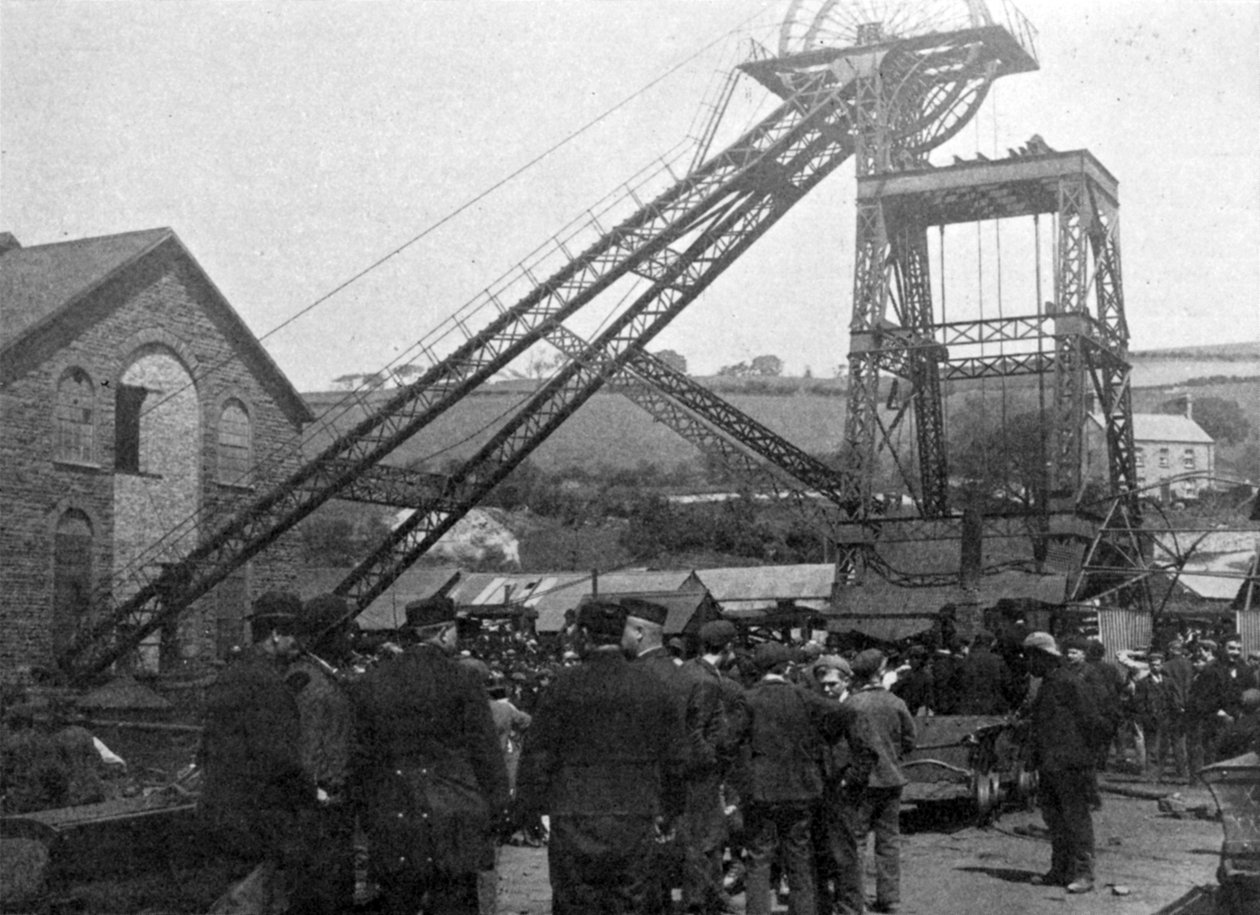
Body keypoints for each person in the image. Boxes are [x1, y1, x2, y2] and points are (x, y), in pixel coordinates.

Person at [515, 600, 685, 915]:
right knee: (630, 902)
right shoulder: (652, 687)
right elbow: (674, 757)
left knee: (576, 903)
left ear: (583, 633)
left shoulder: (563, 685)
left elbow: (538, 753)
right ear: (621, 632)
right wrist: (671, 810)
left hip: (574, 818)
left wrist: (529, 810)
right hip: (634, 817)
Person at [354, 596, 510, 915]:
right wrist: (498, 809)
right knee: (454, 900)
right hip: (454, 819)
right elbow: (485, 753)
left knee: (399, 902)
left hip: (395, 816)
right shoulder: (463, 680)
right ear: (443, 633)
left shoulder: (373, 680)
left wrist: (369, 813)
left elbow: (363, 756)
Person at [198, 591, 312, 913]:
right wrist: (310, 794)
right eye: (295, 635)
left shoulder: (231, 674)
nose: (299, 644)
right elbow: (280, 761)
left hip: (221, 813)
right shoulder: (270, 687)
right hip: (256, 823)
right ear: (275, 634)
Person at [736, 640, 854, 915]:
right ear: (787, 667)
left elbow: (729, 741)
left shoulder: (749, 698)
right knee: (799, 857)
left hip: (762, 790)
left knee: (759, 858)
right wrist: (823, 738)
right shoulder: (803, 696)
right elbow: (844, 712)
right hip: (802, 789)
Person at [286, 593, 358, 915]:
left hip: (326, 810)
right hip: (322, 813)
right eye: (346, 630)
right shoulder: (313, 685)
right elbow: (308, 753)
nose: (352, 636)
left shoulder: (318, 676)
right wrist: (323, 798)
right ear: (327, 636)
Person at [1022, 631, 1108, 894]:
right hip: (1050, 765)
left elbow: (1095, 722)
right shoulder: (1047, 683)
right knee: (1054, 819)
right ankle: (1060, 869)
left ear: (1043, 657)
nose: (1028, 664)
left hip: (1071, 765)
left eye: (1030, 658)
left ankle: (1084, 874)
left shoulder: (1069, 682)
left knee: (1077, 819)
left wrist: (1084, 758)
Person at [833, 649, 916, 915]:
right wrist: (893, 755)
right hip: (891, 780)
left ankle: (853, 899)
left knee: (855, 842)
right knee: (889, 841)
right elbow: (910, 740)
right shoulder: (895, 702)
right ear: (880, 671)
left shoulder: (851, 705)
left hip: (860, 783)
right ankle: (890, 899)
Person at [675, 619, 747, 915]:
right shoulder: (706, 680)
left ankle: (709, 898)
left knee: (702, 837)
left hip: (688, 770)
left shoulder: (687, 671)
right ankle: (702, 901)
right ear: (728, 647)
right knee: (706, 839)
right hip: (700, 773)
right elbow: (695, 731)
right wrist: (713, 765)